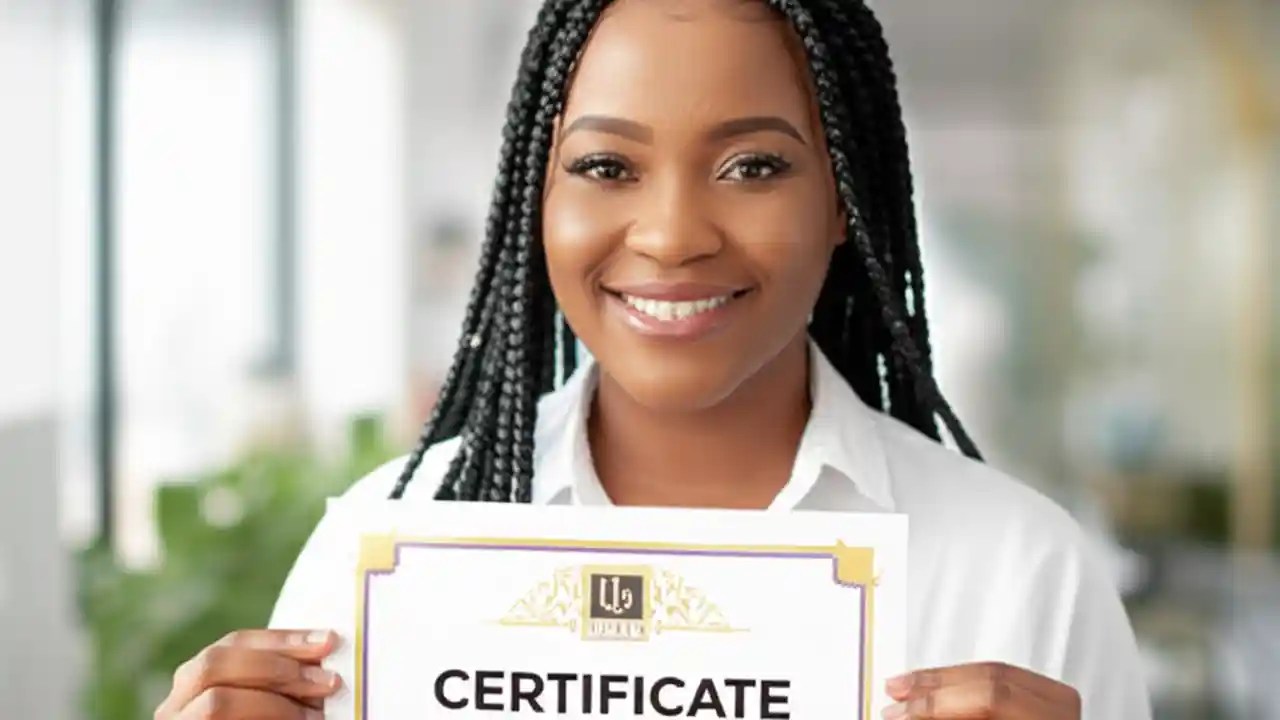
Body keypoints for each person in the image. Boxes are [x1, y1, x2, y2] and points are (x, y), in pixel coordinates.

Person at [155, 0, 1151, 718]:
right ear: (537, 197)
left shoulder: (1021, 573)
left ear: (843, 197)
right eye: (605, 166)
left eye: (753, 167)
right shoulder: (380, 552)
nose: (672, 236)